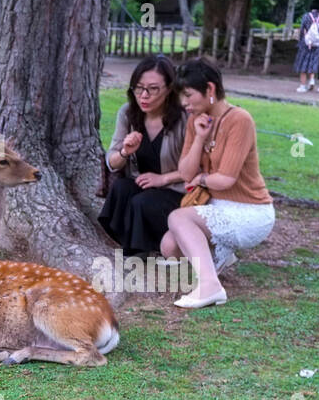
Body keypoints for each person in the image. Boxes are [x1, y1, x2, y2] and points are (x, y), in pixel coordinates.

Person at [161, 60, 274, 309]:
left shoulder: (240, 120)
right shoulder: (195, 121)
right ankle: (223, 253)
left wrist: (200, 179)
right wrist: (200, 138)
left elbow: (225, 180)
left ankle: (210, 286)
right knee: (169, 247)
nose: (184, 103)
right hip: (216, 207)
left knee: (178, 219)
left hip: (249, 211)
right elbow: (184, 171)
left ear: (210, 90)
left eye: (189, 95)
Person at [99, 55, 187, 257]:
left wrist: (163, 179)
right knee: (121, 189)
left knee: (142, 202)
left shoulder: (184, 119)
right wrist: (124, 152)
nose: (144, 96)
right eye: (138, 88)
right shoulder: (128, 113)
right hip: (144, 186)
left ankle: (143, 250)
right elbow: (112, 162)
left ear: (169, 89)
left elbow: (199, 168)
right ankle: (132, 245)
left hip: (177, 189)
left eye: (153, 89)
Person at [296, 0, 319, 92]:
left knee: (304, 62)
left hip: (306, 43)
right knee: (314, 61)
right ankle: (312, 80)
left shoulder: (306, 16)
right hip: (318, 43)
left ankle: (303, 86)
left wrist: (300, 41)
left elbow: (302, 29)